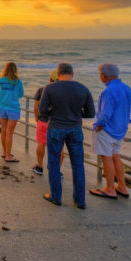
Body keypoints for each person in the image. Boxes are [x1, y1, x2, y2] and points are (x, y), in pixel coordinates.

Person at [38, 63, 95, 209]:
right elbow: (90, 113)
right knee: (78, 164)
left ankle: (55, 196)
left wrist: (54, 113)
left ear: (58, 73)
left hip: (56, 127)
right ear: (72, 73)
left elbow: (42, 110)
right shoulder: (83, 88)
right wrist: (76, 114)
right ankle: (80, 200)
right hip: (75, 128)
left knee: (54, 162)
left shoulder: (50, 88)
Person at [89, 63, 131, 199]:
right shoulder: (127, 88)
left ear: (103, 76)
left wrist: (98, 126)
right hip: (120, 129)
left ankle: (109, 188)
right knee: (116, 156)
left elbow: (105, 114)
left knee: (106, 158)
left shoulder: (108, 91)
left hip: (107, 129)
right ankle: (122, 186)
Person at [32, 69, 64, 175]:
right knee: (60, 147)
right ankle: (56, 170)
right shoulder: (64, 91)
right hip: (59, 123)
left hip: (44, 121)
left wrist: (37, 117)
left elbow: (36, 107)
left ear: (50, 79)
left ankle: (39, 167)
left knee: (41, 143)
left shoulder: (42, 90)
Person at [0, 62, 24, 163]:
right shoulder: (17, 81)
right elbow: (21, 94)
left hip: (2, 106)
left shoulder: (1, 80)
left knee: (3, 130)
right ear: (15, 70)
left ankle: (5, 152)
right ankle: (8, 156)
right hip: (13, 108)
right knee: (10, 132)